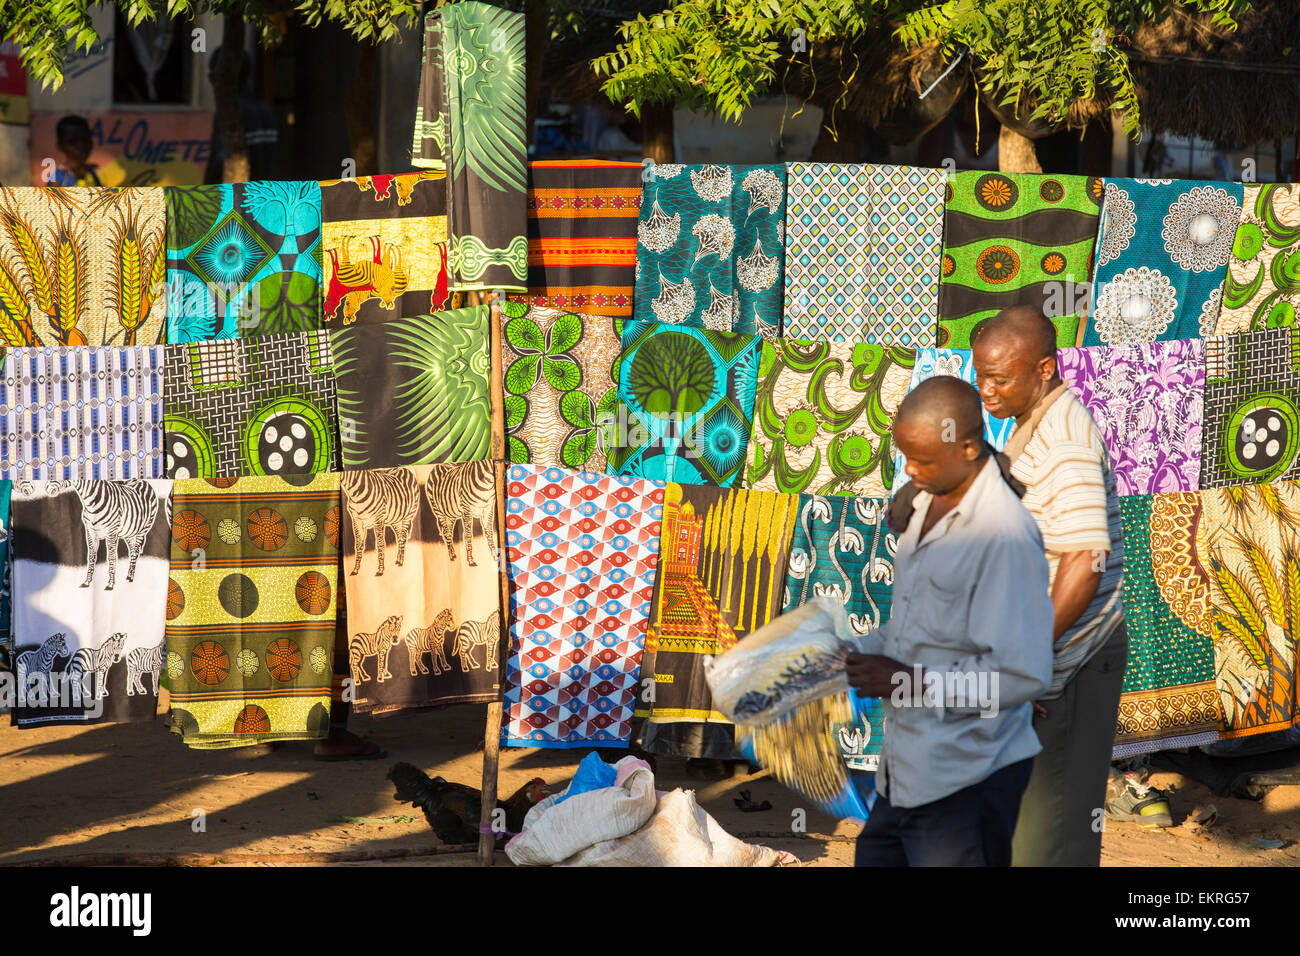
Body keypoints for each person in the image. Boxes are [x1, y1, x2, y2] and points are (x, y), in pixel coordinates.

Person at [848, 375, 1054, 867]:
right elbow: (920, 627)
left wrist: (904, 682)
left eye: (921, 459)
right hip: (906, 772)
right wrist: (851, 653)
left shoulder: (1003, 538)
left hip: (969, 776)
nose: (910, 471)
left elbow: (1021, 676)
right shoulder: (925, 503)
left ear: (967, 449)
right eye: (905, 457)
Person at [969, 305, 1133, 865]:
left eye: (999, 378)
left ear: (1044, 368)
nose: (985, 390)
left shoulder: (1064, 440)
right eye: (980, 374)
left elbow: (1084, 559)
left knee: (1049, 838)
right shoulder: (1030, 422)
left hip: (1068, 663)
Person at [204, 45, 279, 183]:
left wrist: (205, 196)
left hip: (239, 198)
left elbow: (220, 161)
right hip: (267, 195)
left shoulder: (229, 113)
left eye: (212, 75)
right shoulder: (265, 110)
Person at [50, 116, 101, 186]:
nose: (81, 146)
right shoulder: (57, 178)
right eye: (72, 142)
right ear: (61, 146)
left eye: (85, 140)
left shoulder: (93, 174)